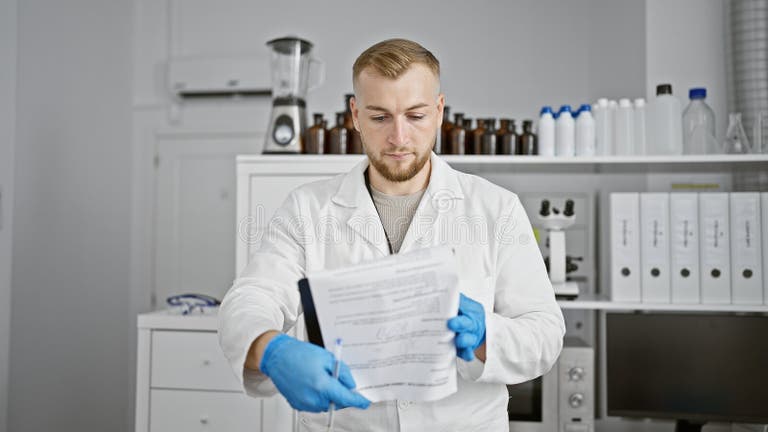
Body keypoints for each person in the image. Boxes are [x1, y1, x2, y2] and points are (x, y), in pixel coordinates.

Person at [218, 38, 565, 432]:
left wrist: (488, 335)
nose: (398, 138)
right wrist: (271, 350)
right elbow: (250, 297)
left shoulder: (495, 208)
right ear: (355, 114)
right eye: (380, 117)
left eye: (415, 116)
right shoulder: (308, 208)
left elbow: (545, 333)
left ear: (438, 111)